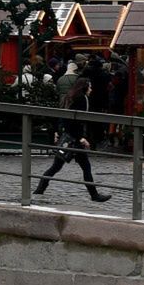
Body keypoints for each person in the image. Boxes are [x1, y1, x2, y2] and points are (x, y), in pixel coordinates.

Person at [36, 73, 110, 202]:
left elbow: (63, 117)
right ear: (84, 87)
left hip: (68, 137)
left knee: (56, 166)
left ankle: (40, 189)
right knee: (85, 168)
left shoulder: (70, 97)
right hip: (75, 140)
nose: (91, 89)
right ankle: (94, 195)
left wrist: (58, 131)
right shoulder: (82, 99)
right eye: (90, 87)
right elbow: (76, 121)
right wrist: (81, 138)